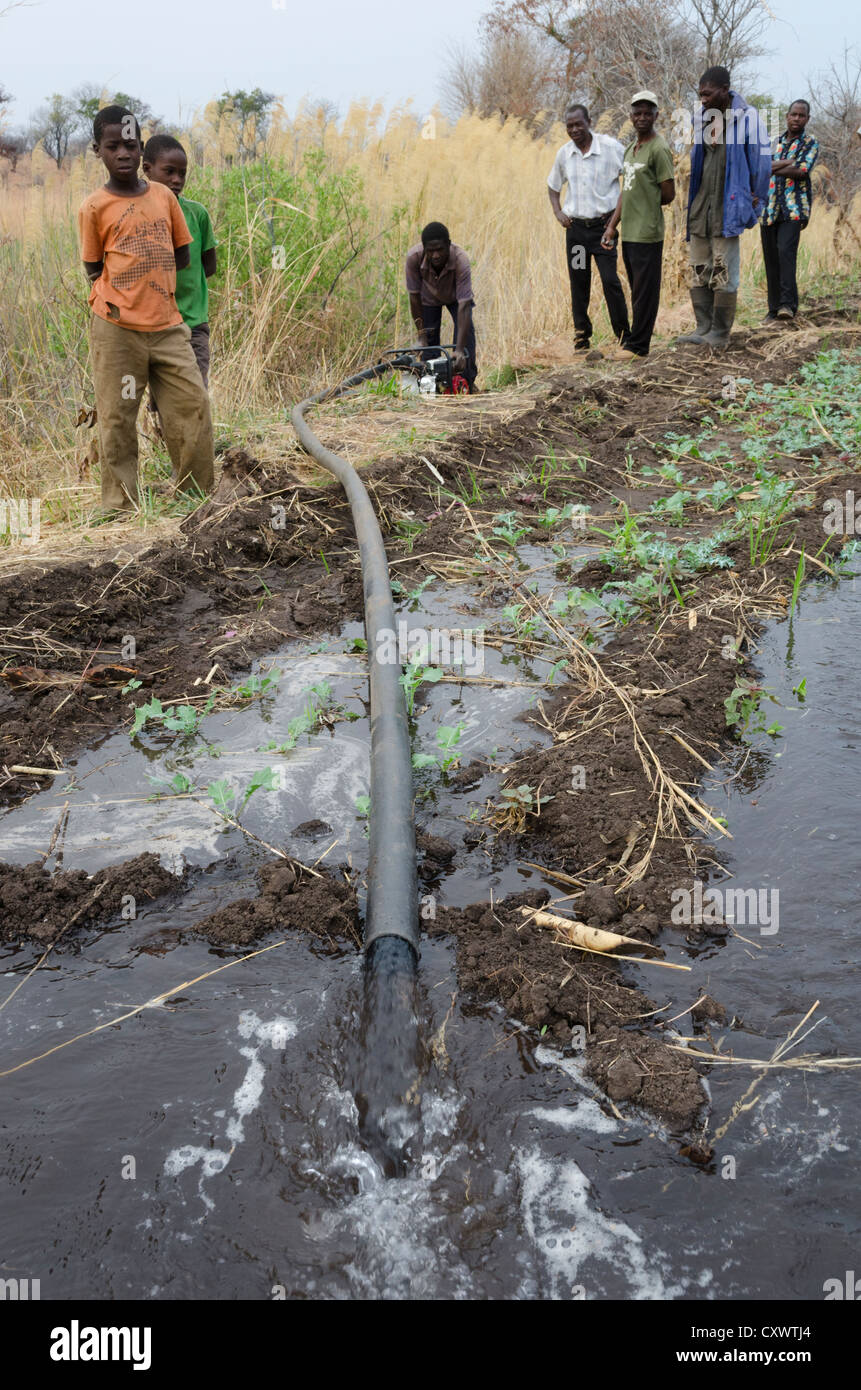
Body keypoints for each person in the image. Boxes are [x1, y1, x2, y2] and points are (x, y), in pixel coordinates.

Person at [78, 106, 214, 514]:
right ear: (98, 151)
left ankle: (195, 499)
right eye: (113, 146)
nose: (123, 153)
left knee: (192, 406)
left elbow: (182, 257)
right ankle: (120, 507)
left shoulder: (162, 198)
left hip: (170, 325)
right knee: (118, 417)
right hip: (117, 329)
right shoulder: (94, 207)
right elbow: (94, 268)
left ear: (142, 151)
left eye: (131, 145)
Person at [677, 66, 772, 350]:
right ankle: (703, 327)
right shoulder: (701, 117)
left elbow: (762, 163)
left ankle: (720, 333)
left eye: (707, 93)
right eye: (700, 94)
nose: (703, 99)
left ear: (725, 88)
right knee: (699, 267)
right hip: (701, 206)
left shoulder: (749, 117)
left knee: (723, 270)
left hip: (728, 207)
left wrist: (755, 201)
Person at [547, 102, 630, 354]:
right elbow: (553, 187)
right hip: (578, 233)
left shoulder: (611, 148)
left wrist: (614, 223)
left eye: (578, 124)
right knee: (579, 281)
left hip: (603, 230)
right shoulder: (564, 154)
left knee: (609, 280)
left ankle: (624, 335)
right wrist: (558, 212)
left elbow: (630, 181)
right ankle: (582, 337)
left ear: (589, 122)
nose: (574, 130)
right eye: (569, 126)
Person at [601, 91, 675, 358]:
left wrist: (647, 204)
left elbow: (668, 193)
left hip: (648, 232)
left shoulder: (659, 148)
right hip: (630, 231)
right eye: (637, 113)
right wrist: (612, 225)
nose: (642, 117)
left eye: (648, 113)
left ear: (656, 116)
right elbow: (626, 190)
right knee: (637, 289)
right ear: (631, 116)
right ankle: (634, 341)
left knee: (646, 292)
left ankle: (638, 347)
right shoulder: (631, 149)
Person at [142, 133, 217, 384]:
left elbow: (209, 266)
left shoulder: (197, 214)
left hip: (193, 323)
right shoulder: (136, 215)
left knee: (196, 394)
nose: (177, 180)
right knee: (162, 398)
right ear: (147, 170)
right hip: (154, 326)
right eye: (169, 171)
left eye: (182, 173)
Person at [760, 100, 819, 322]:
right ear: (787, 116)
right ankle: (772, 309)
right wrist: (788, 162)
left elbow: (802, 171)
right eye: (793, 114)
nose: (796, 118)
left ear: (807, 119)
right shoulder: (774, 142)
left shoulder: (810, 142)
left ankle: (787, 305)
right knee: (771, 258)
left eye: (801, 115)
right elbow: (761, 167)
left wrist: (776, 166)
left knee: (786, 254)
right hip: (769, 209)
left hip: (794, 210)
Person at [405, 223, 477, 389]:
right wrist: (421, 336)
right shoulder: (414, 258)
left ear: (448, 244)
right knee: (429, 346)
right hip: (428, 299)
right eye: (430, 251)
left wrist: (459, 350)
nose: (435, 255)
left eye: (440, 249)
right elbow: (414, 298)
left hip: (456, 299)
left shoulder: (461, 260)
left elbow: (464, 305)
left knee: (465, 341)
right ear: (424, 249)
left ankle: (466, 384)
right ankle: (432, 387)